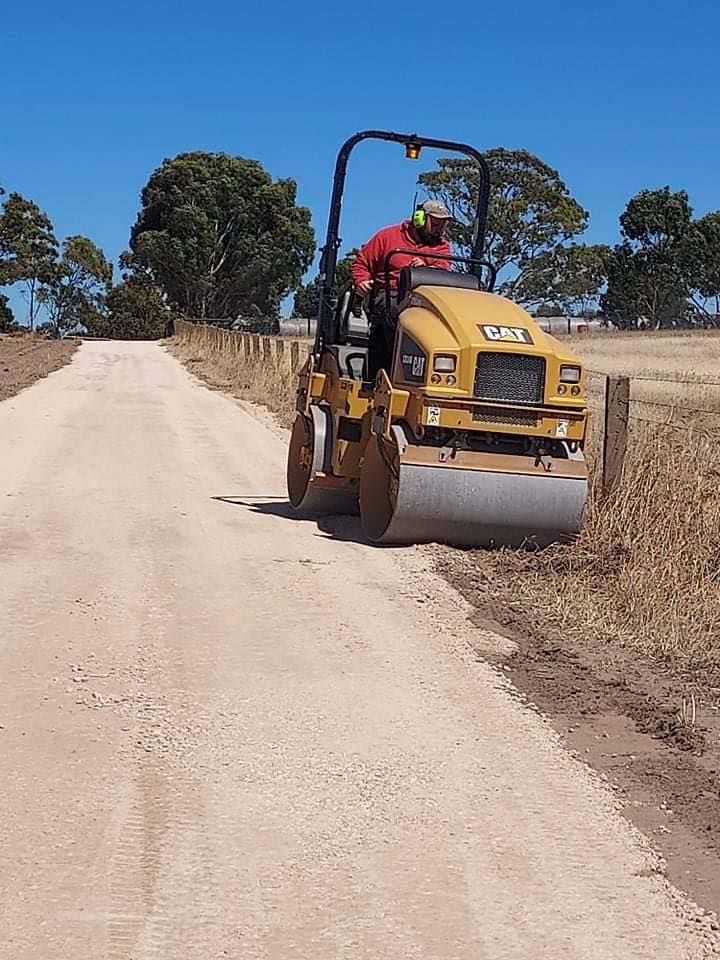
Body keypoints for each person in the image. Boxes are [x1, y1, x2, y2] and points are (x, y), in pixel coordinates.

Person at [351, 199, 453, 380]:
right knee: (395, 310)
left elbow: (444, 269)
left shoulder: (442, 246)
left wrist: (426, 267)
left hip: (424, 301)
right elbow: (362, 263)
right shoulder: (387, 236)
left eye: (442, 224)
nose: (439, 229)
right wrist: (362, 281)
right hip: (390, 296)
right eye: (435, 223)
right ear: (419, 218)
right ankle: (397, 371)